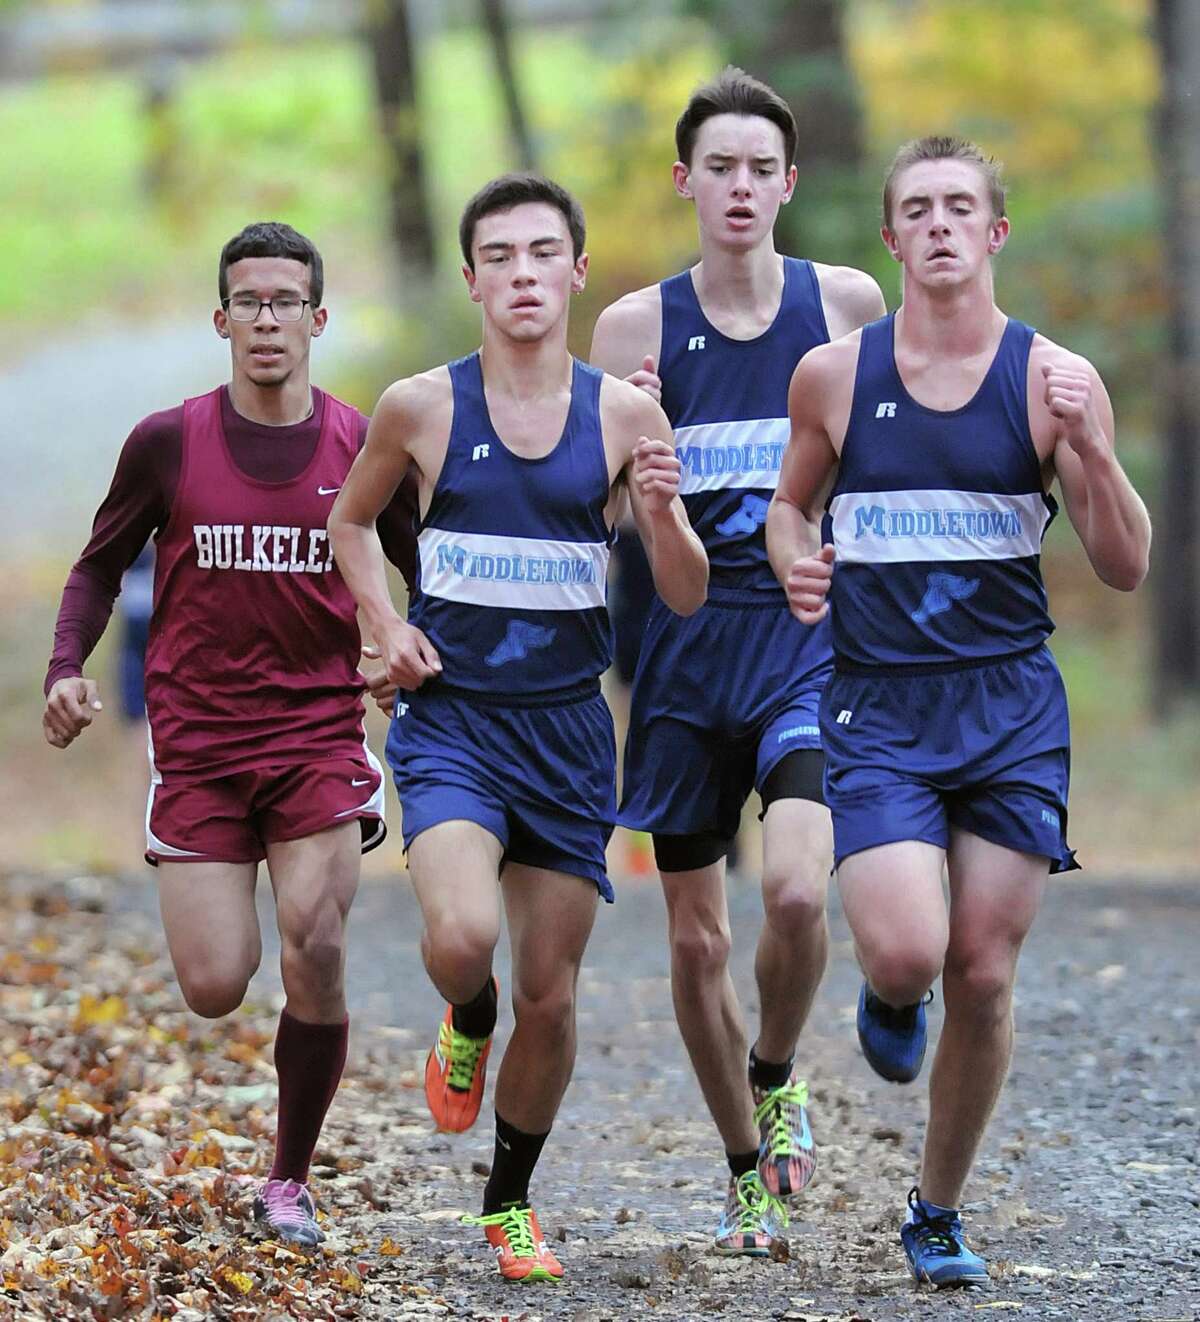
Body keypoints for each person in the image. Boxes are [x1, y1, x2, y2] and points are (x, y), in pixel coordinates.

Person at [768, 136, 1151, 1286]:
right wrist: (794, 559)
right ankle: (892, 994)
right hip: (879, 704)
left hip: (1010, 709)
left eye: (959, 208)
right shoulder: (834, 375)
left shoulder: (1054, 380)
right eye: (916, 210)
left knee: (983, 971)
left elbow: (1125, 562)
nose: (938, 225)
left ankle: (935, 1208)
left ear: (996, 232)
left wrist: (1090, 444)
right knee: (907, 948)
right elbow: (789, 511)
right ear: (891, 238)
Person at [328, 173, 708, 1284]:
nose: (525, 274)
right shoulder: (421, 406)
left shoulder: (626, 415)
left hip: (568, 737)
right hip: (452, 724)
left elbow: (684, 592)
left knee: (553, 989)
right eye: (501, 255)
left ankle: (510, 1199)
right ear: (474, 278)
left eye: (545, 252)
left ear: (577, 271)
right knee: (462, 940)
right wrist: (384, 623)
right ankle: (464, 1013)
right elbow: (350, 521)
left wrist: (663, 510)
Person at [42, 222, 418, 1249]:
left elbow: (424, 572)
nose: (266, 318)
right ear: (221, 319)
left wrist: (404, 652)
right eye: (247, 301)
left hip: (316, 736)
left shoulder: (360, 446)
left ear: (317, 319)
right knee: (214, 986)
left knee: (319, 936)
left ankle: (288, 1177)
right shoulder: (168, 441)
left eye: (285, 300)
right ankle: (276, 1108)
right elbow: (92, 567)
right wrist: (66, 669)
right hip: (200, 747)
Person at [589, 66, 885, 1255]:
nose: (743, 187)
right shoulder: (632, 326)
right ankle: (739, 1167)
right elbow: (596, 512)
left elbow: (890, 454)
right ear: (685, 181)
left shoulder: (849, 303)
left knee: (804, 889)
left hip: (808, 638)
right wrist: (632, 453)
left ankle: (778, 1067)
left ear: (792, 184)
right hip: (677, 652)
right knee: (699, 938)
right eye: (721, 166)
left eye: (764, 168)